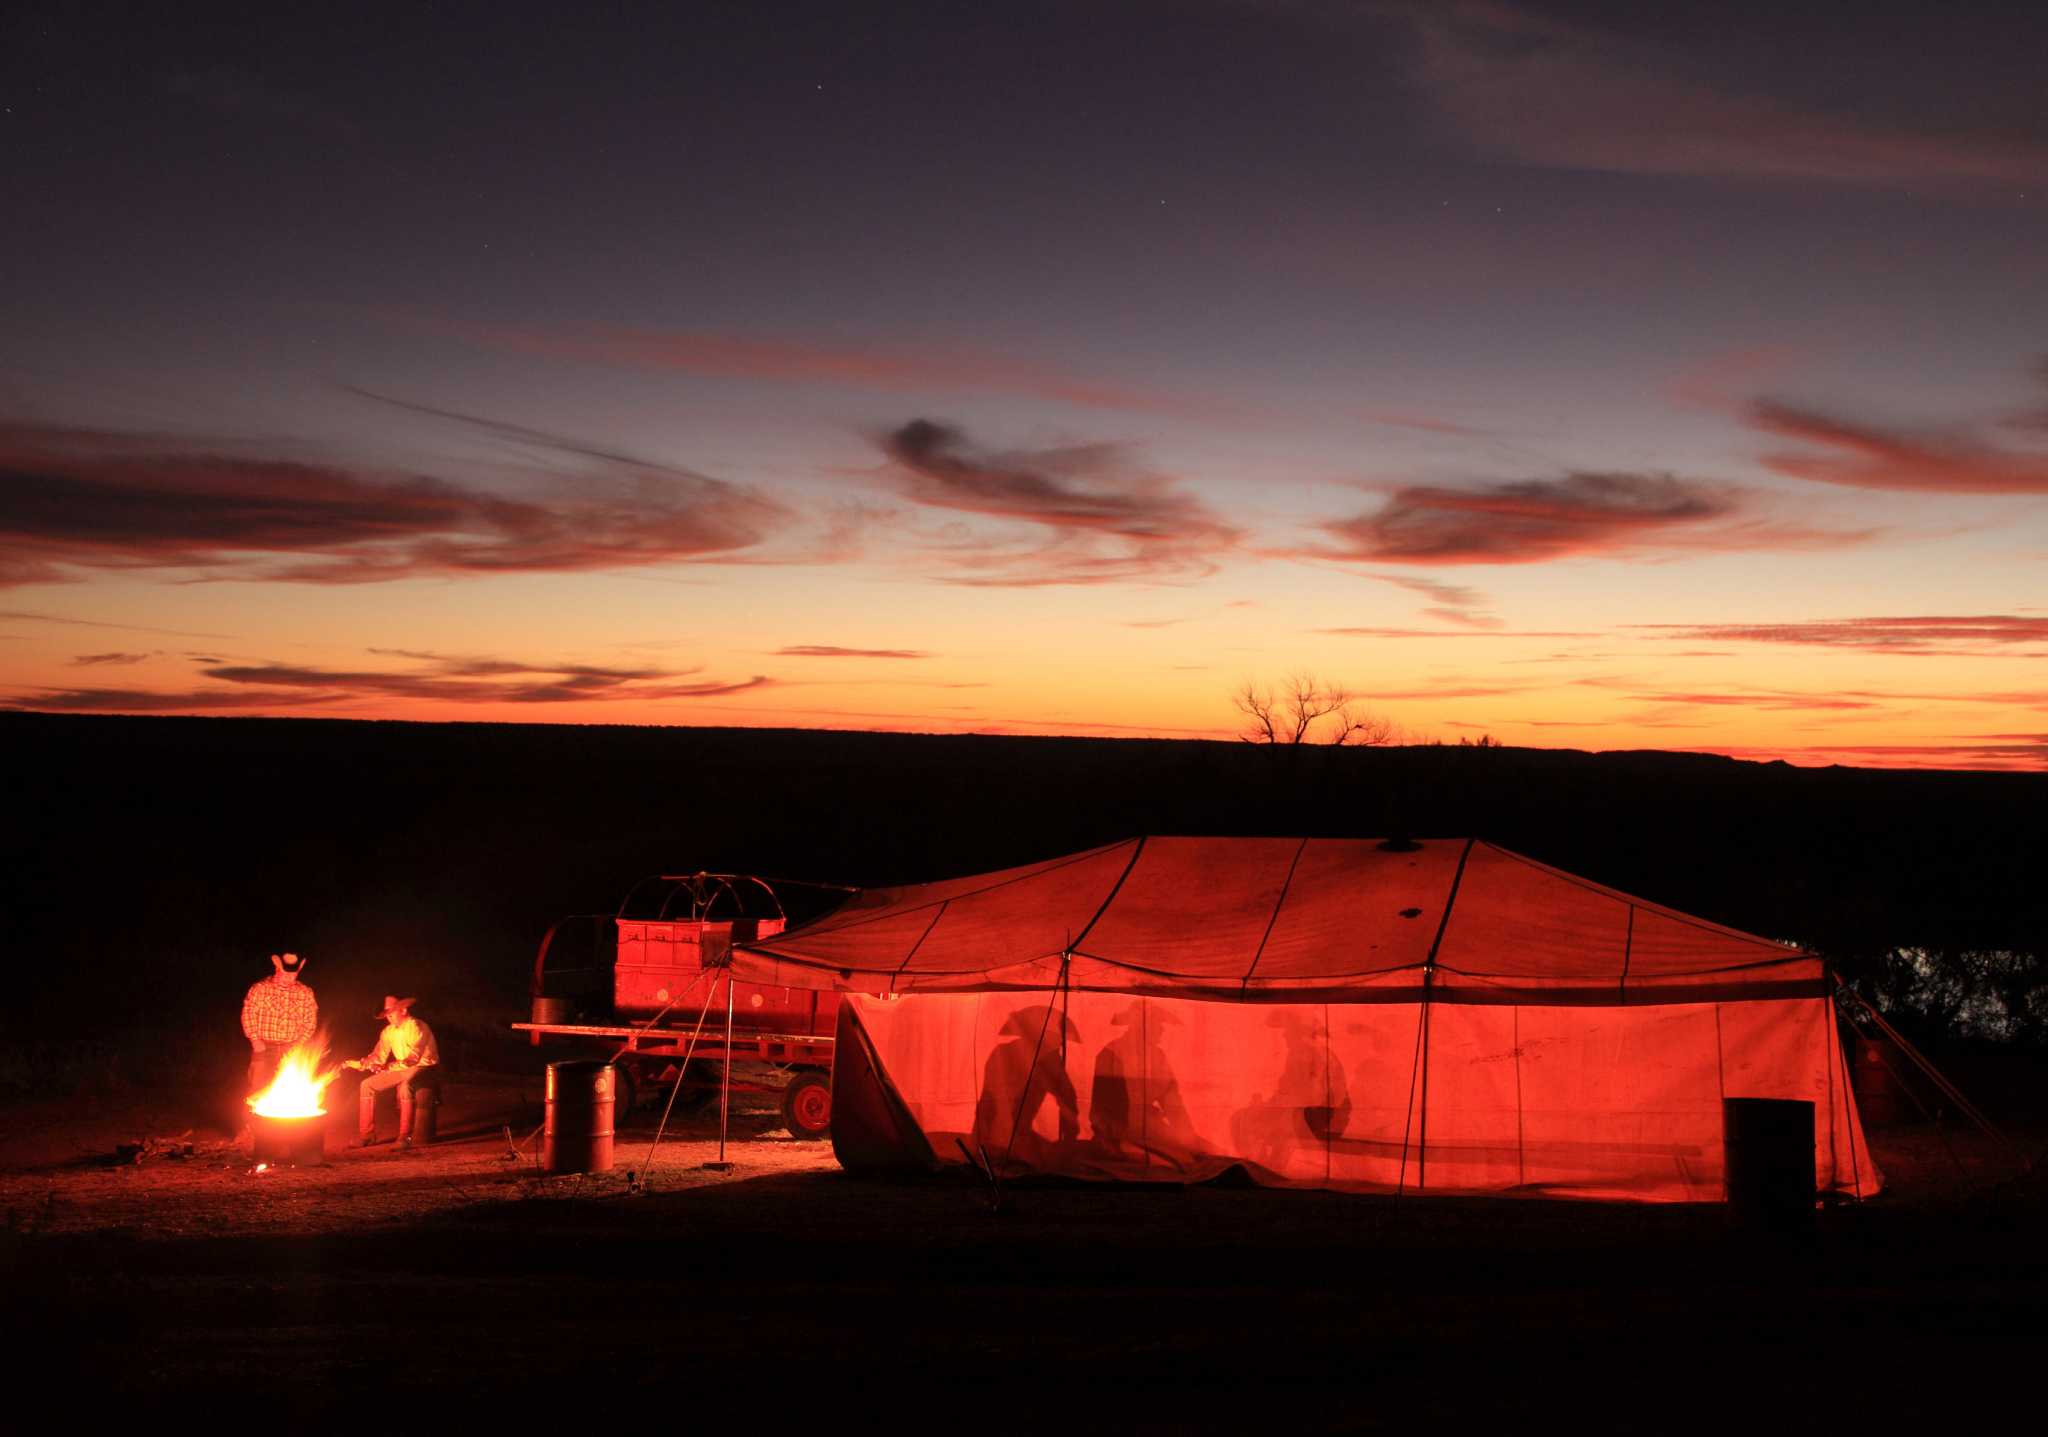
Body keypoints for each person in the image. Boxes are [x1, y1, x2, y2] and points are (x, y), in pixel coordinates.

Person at [346, 995, 440, 1149]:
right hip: (402, 1068)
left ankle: (404, 1136)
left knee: (405, 1086)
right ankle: (366, 1135)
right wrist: (360, 1063)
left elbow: (413, 1059)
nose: (388, 1016)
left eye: (391, 1012)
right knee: (366, 1085)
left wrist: (388, 1067)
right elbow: (378, 1056)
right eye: (386, 1014)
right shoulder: (388, 1032)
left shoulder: (416, 1026)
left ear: (403, 1010)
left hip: (425, 1068)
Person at [240, 952, 318, 1097]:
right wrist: (255, 1040)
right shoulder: (261, 988)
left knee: (291, 1089)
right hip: (264, 1046)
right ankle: (252, 1119)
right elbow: (248, 1014)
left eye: (293, 974)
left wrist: (300, 1043)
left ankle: (288, 1119)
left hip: (292, 1048)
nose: (289, 977)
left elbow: (310, 1021)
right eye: (285, 973)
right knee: (257, 1087)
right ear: (277, 969)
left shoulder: (305, 993)